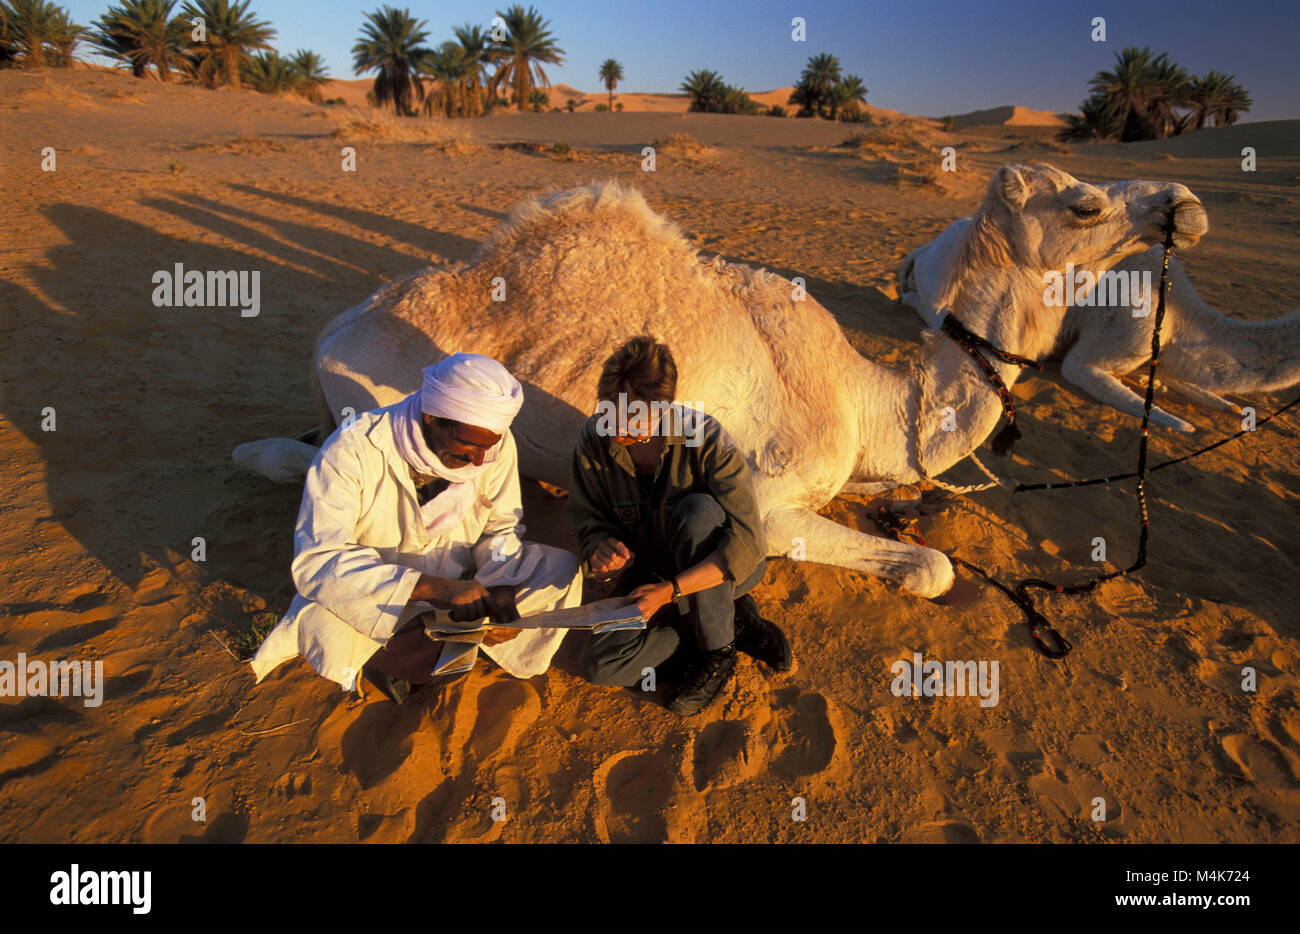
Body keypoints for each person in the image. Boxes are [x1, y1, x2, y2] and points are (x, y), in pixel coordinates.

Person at [251, 353, 581, 703]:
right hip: (378, 588)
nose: (480, 459)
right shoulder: (353, 448)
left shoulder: (495, 447)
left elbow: (500, 531)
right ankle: (422, 654)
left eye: (488, 446)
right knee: (329, 621)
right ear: (432, 417)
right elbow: (316, 562)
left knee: (557, 569)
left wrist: (497, 588)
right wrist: (431, 588)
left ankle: (456, 643)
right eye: (468, 444)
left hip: (463, 581)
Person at [567, 336, 791, 717]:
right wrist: (600, 548)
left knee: (697, 511)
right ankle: (730, 623)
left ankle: (715, 652)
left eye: (632, 420)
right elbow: (589, 521)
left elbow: (748, 542)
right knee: (600, 666)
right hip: (651, 575)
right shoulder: (593, 439)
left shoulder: (706, 439)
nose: (615, 429)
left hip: (722, 572)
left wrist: (670, 592)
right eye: (608, 413)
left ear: (664, 410)